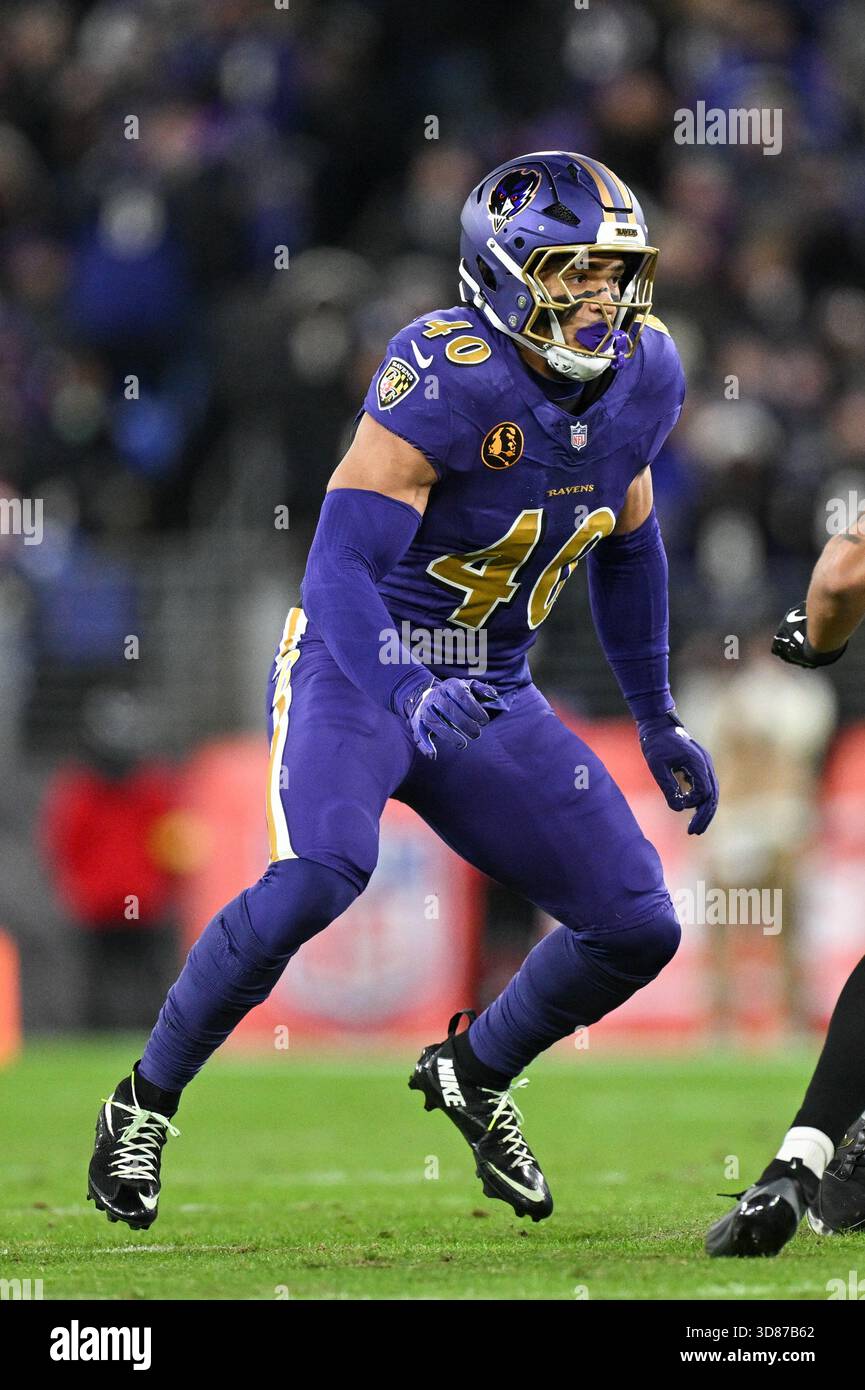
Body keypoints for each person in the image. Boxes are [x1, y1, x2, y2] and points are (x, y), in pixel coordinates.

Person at [87, 152, 718, 1231]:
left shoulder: (645, 373)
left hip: (491, 685)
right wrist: (406, 685)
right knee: (318, 877)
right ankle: (140, 1103)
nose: (600, 297)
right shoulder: (448, 370)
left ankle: (475, 1068)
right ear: (506, 274)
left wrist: (655, 712)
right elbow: (334, 569)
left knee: (635, 923)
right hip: (362, 660)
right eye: (570, 272)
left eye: (614, 272)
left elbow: (628, 544)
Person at [707, 518, 865, 1256]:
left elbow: (836, 578)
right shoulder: (737, 700)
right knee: (738, 936)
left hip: (770, 821)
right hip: (750, 822)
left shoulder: (776, 693)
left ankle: (801, 1164)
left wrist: (819, 636)